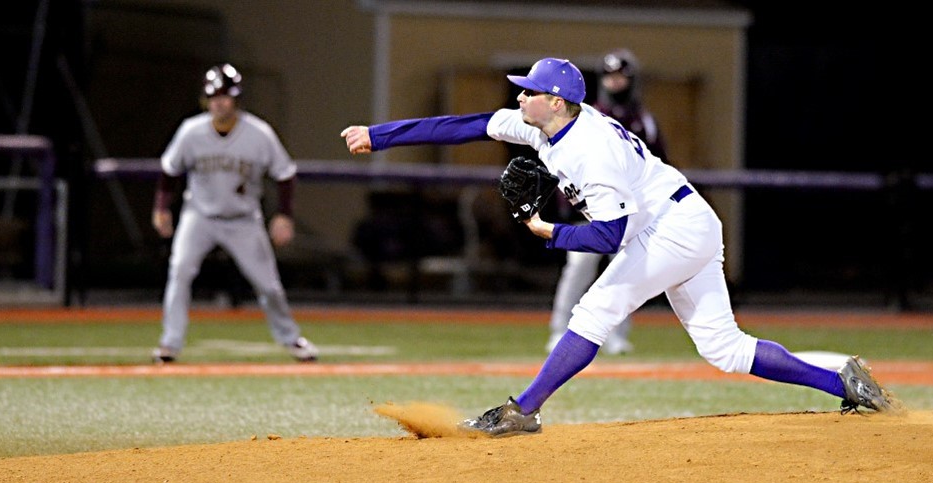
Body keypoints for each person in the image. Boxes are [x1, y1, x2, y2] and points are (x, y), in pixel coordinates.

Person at [340, 57, 898, 436]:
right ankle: (842, 380)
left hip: (671, 230)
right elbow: (465, 124)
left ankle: (522, 411)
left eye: (530, 90)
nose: (520, 95)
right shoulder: (544, 127)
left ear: (556, 102)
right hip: (687, 219)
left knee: (595, 309)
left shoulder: (591, 152)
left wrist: (547, 232)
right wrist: (379, 135)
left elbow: (613, 237)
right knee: (724, 349)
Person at [151, 62, 318, 363]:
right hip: (199, 216)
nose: (219, 101)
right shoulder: (191, 131)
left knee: (268, 285)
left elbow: (285, 173)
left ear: (236, 99)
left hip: (243, 219)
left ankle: (291, 338)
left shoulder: (259, 133)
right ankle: (170, 343)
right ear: (205, 99)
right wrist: (161, 208)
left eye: (225, 96)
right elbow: (169, 169)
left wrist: (284, 214)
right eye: (214, 96)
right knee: (179, 271)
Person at [545, 48, 669, 355]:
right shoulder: (587, 114)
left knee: (623, 273)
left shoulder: (643, 120)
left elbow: (660, 165)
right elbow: (567, 160)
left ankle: (615, 335)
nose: (615, 82)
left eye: (620, 77)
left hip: (629, 211)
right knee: (577, 268)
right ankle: (559, 330)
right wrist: (569, 203)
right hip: (588, 206)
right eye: (609, 76)